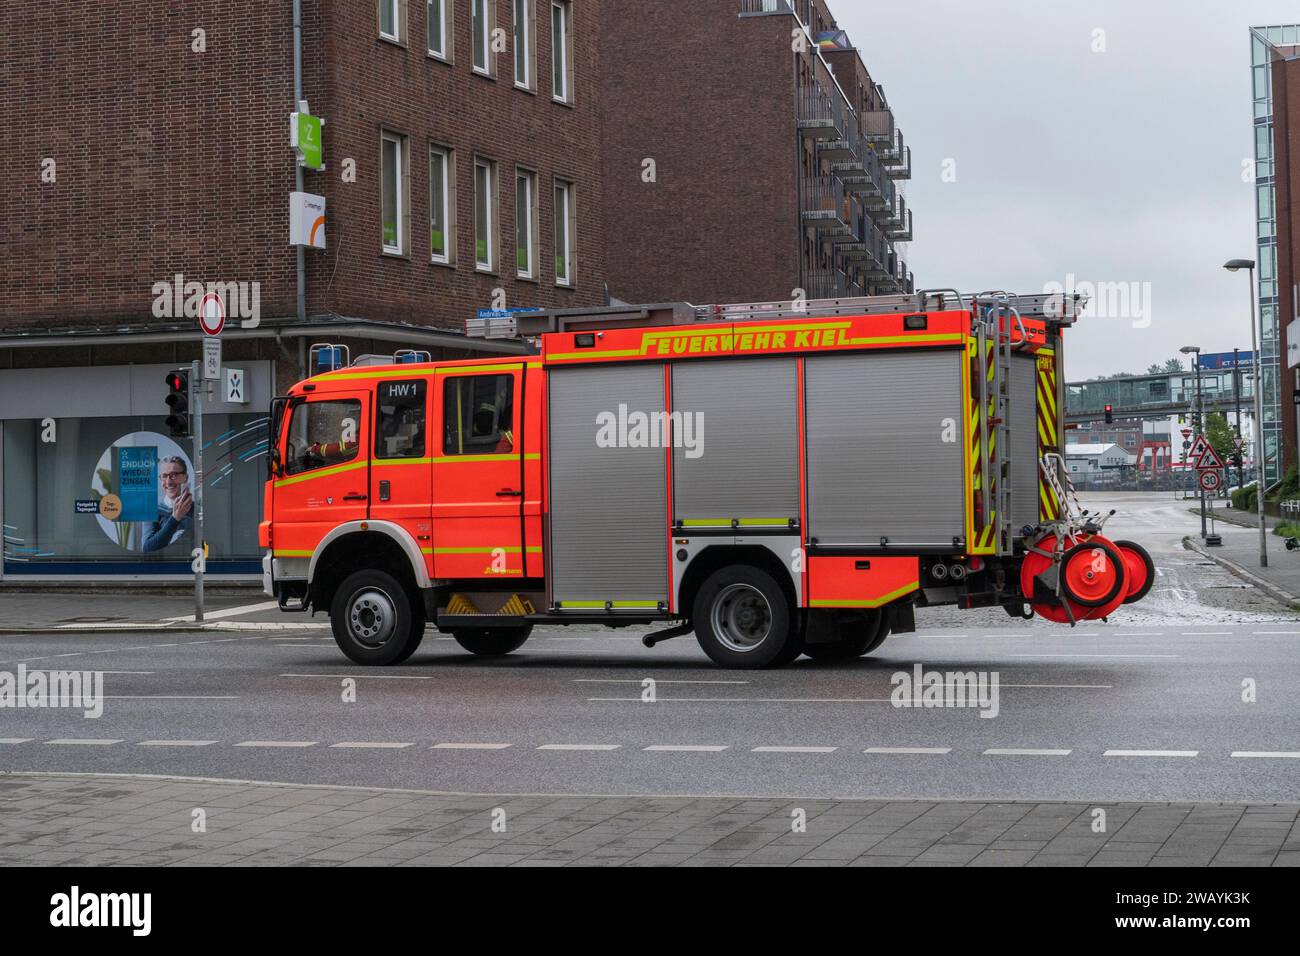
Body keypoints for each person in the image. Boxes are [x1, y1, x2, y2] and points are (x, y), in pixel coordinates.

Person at [143, 456, 193, 552]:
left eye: (174, 475)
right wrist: (175, 518)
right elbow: (147, 549)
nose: (168, 482)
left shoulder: (197, 510)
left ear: (185, 477)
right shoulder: (152, 511)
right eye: (164, 476)